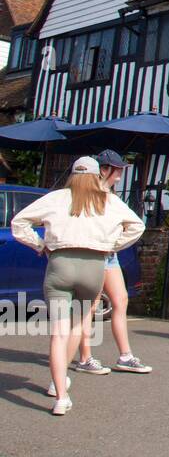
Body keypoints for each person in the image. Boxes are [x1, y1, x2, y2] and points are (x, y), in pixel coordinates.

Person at [10, 156, 145, 415]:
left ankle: (60, 396)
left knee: (59, 332)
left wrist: (39, 245)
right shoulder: (108, 200)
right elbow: (137, 226)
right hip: (94, 266)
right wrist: (111, 246)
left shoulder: (57, 198)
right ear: (97, 176)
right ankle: (57, 381)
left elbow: (19, 223)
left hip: (60, 264)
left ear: (72, 174)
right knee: (77, 325)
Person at [70, 151, 153, 377]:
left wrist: (113, 245)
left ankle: (125, 356)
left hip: (108, 254)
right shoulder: (92, 193)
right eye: (117, 171)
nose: (119, 177)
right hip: (95, 253)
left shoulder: (110, 196)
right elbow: (137, 226)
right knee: (90, 305)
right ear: (105, 169)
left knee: (120, 299)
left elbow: (135, 226)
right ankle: (85, 357)